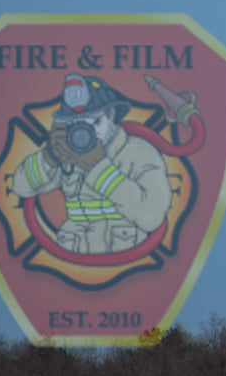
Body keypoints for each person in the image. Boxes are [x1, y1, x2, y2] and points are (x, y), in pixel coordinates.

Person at [11, 74, 172, 255]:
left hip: (128, 254)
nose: (87, 133)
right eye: (77, 125)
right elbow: (20, 187)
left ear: (110, 115)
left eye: (95, 122)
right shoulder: (66, 153)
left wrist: (99, 167)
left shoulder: (139, 152)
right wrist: (49, 157)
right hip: (71, 256)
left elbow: (151, 217)